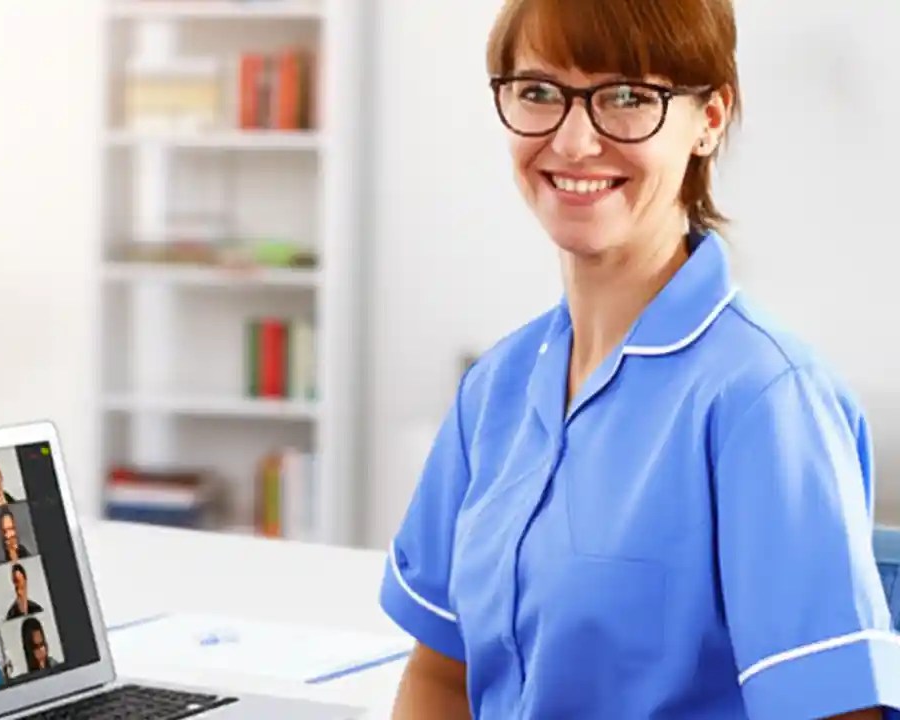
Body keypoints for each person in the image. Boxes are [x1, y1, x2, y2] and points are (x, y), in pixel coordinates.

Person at [381, 1, 900, 718]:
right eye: (538, 91)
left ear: (710, 118)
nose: (573, 140)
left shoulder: (766, 399)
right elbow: (442, 676)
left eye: (628, 97)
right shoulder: (495, 389)